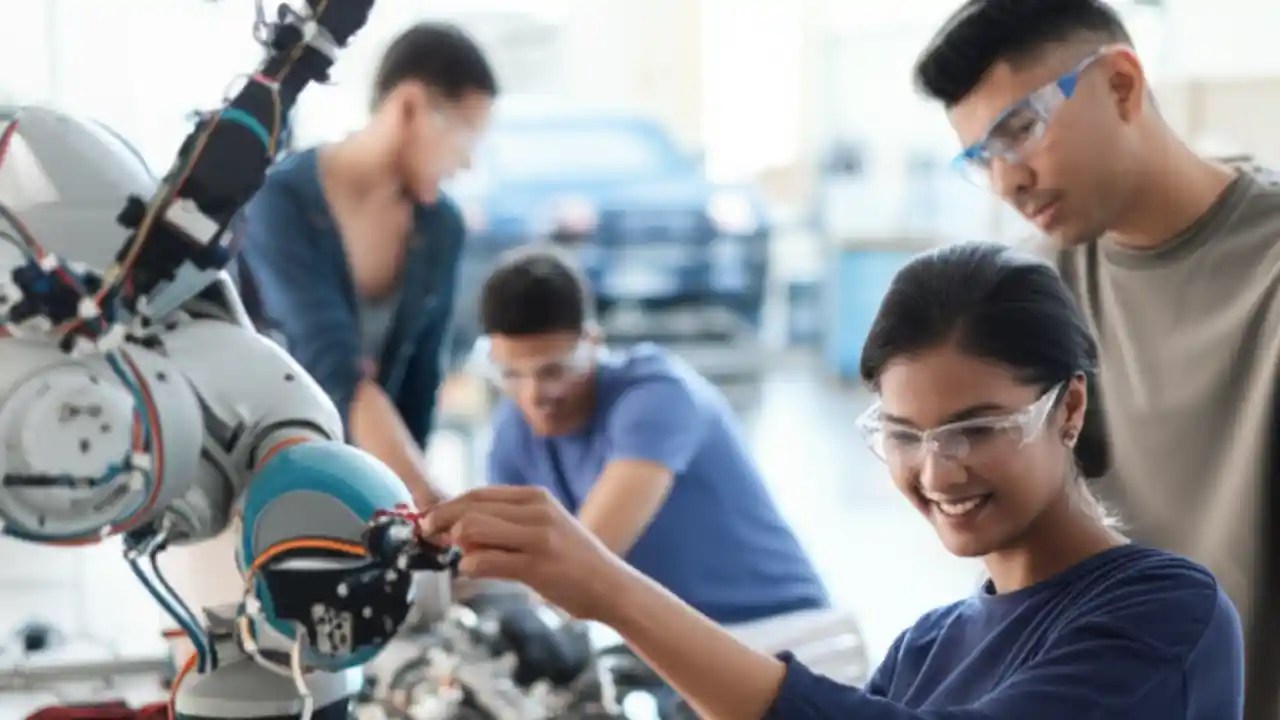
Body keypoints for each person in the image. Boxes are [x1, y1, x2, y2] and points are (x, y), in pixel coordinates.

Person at [422, 243, 1245, 719]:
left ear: (1068, 410)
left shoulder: (1167, 611)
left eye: (977, 428)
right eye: (905, 435)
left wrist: (613, 593)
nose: (937, 469)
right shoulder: (927, 646)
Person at [911, 2, 1280, 716]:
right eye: (980, 157)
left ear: (1120, 85)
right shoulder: (1033, 295)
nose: (1005, 181)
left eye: (1020, 130)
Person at [472, 246, 829, 627]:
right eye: (511, 374)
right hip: (671, 650)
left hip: (781, 631)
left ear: (592, 343)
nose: (534, 395)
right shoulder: (513, 428)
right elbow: (502, 569)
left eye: (554, 371)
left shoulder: (657, 397)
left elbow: (582, 565)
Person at [237, 22, 498, 507]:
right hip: (267, 485)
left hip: (371, 496)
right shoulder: (279, 202)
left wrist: (410, 517)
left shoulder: (442, 226)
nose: (465, 164)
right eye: (464, 137)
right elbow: (327, 363)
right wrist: (420, 493)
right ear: (410, 107)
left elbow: (421, 384)